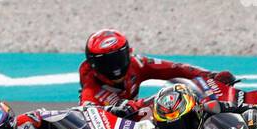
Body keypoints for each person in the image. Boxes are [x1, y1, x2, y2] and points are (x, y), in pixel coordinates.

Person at [79, 28, 237, 108]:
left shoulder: (137, 63)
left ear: (128, 53)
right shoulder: (90, 93)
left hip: (142, 121)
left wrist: (210, 76)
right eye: (107, 63)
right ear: (93, 65)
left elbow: (175, 68)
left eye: (118, 59)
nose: (115, 68)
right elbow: (88, 118)